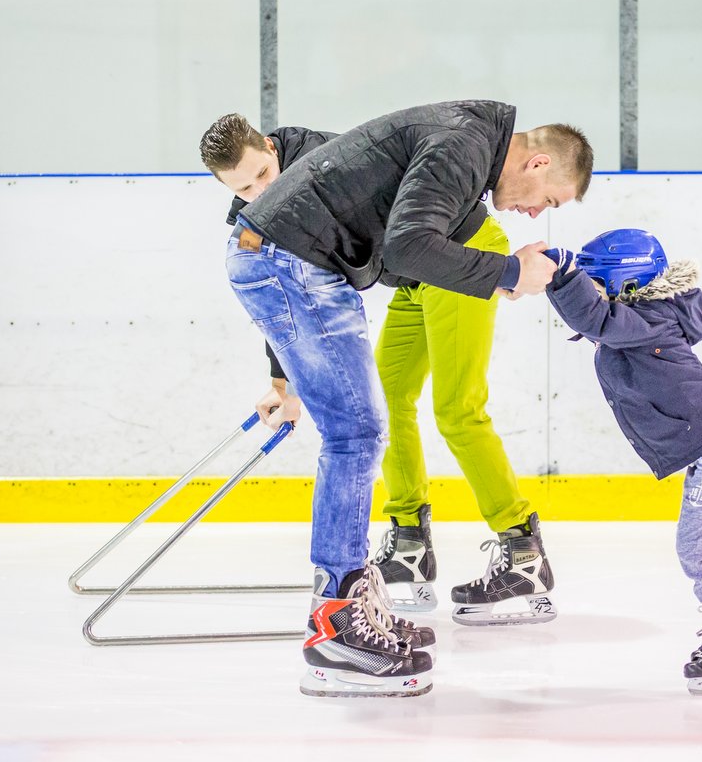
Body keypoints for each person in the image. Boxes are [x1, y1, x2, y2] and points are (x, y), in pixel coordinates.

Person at [201, 101, 593, 696]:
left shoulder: (465, 140)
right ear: (538, 163)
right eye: (550, 200)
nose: (537, 213)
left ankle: (357, 598)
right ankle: (339, 622)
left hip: (310, 265)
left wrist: (287, 381)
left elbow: (380, 238)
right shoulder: (466, 142)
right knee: (360, 433)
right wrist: (508, 273)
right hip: (310, 266)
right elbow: (407, 247)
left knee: (375, 426)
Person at [542, 229, 702, 695]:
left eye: (595, 281)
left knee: (696, 548)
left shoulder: (646, 319)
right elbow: (598, 321)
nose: (590, 290)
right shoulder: (645, 317)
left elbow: (598, 320)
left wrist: (563, 277)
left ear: (625, 283)